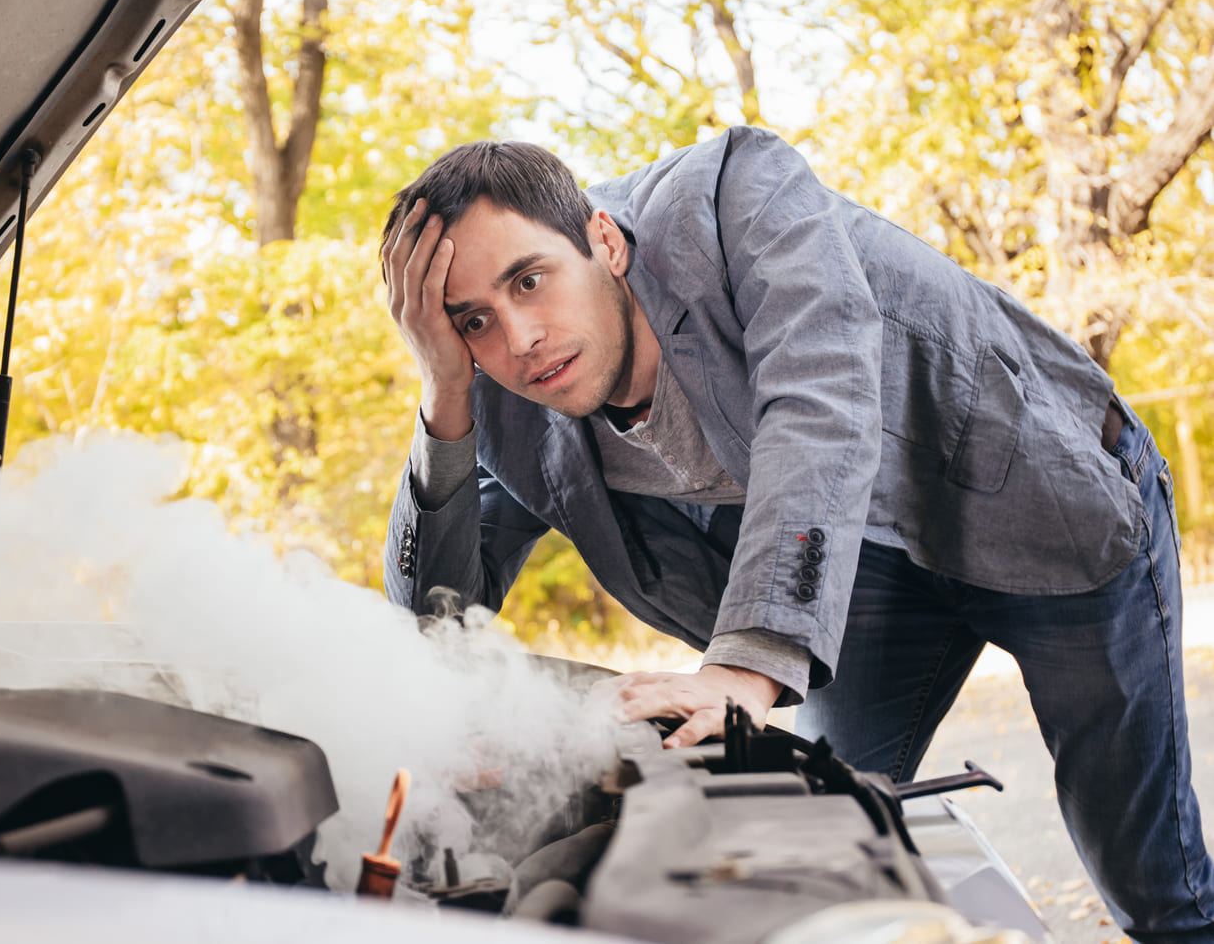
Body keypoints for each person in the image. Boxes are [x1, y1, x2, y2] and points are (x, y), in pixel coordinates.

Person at [378, 126, 1212, 941]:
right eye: (472, 320)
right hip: (861, 579)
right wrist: (444, 392)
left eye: (529, 281)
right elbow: (436, 616)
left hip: (1038, 507)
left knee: (1154, 891)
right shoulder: (499, 397)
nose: (518, 338)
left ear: (603, 239)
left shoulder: (734, 196)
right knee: (817, 834)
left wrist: (743, 667)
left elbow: (819, 396)